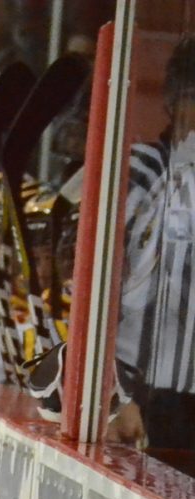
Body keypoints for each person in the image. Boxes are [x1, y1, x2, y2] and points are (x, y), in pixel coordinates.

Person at [110, 35, 195, 458]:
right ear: (171, 101)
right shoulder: (140, 171)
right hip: (145, 402)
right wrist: (114, 396)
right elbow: (89, 294)